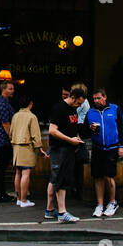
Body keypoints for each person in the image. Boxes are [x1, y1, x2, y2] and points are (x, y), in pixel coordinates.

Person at [46, 84, 88, 223]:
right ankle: (62, 212)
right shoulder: (59, 108)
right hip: (59, 148)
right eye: (78, 102)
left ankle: (50, 209)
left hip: (68, 147)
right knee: (61, 179)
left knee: (55, 179)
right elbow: (52, 130)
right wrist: (70, 140)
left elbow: (72, 128)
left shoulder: (73, 110)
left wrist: (76, 138)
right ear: (73, 97)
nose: (79, 106)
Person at [84, 88, 123, 217]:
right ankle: (100, 204)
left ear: (105, 97)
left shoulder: (114, 109)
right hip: (97, 147)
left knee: (109, 176)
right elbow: (85, 133)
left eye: (98, 98)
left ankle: (113, 202)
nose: (96, 101)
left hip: (112, 147)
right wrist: (90, 129)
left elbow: (122, 128)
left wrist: (122, 146)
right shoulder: (90, 112)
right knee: (97, 176)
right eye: (94, 99)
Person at [9, 92, 45, 207]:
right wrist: (40, 148)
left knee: (18, 173)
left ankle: (19, 198)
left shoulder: (15, 116)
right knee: (26, 173)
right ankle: (24, 200)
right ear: (30, 103)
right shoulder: (32, 116)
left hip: (16, 146)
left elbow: (11, 132)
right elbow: (35, 135)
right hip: (26, 147)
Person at [0, 80, 16, 203]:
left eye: (12, 89)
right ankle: (0, 194)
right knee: (2, 166)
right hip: (4, 139)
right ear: (3, 89)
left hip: (4, 138)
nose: (12, 91)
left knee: (3, 166)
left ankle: (1, 193)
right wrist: (12, 137)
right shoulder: (2, 103)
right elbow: (6, 123)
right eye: (10, 89)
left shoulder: (5, 102)